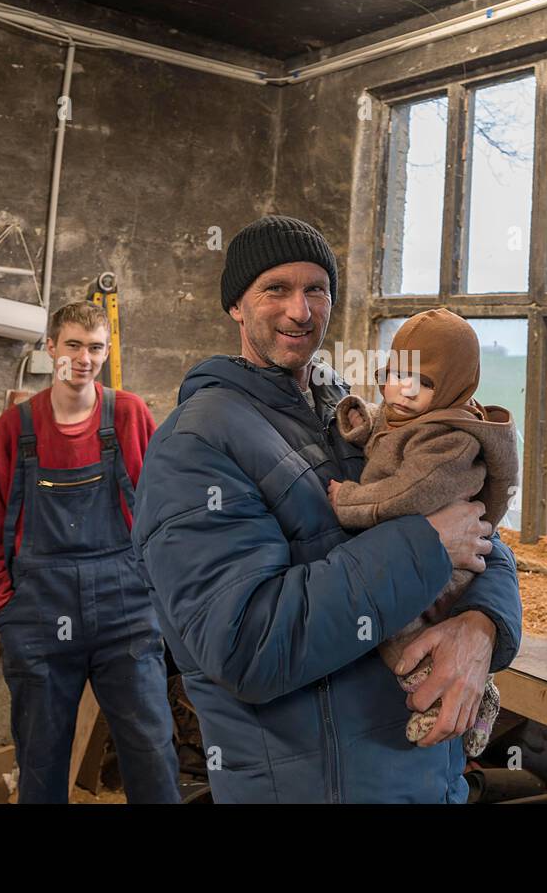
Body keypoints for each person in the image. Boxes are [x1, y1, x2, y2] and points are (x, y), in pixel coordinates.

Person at [133, 215, 522, 803]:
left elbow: (472, 526)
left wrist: (483, 624)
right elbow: (245, 646)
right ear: (236, 306)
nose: (300, 310)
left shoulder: (353, 415)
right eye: (276, 290)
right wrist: (424, 549)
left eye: (316, 289)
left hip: (425, 780)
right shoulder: (197, 445)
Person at [0, 300, 178, 804]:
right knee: (40, 761)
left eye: (96, 347)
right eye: (74, 346)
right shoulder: (15, 429)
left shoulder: (128, 415)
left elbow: (165, 512)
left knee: (152, 752)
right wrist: (3, 612)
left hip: (125, 615)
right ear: (51, 349)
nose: (84, 358)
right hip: (39, 617)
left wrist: (159, 596)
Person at [328, 307, 519, 757]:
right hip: (424, 551)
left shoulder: (451, 441)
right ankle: (480, 695)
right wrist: (364, 420)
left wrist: (347, 501)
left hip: (448, 563)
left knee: (399, 634)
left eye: (424, 382)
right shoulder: (420, 415)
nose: (404, 389)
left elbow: (407, 492)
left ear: (454, 387)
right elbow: (393, 432)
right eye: (396, 374)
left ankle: (444, 704)